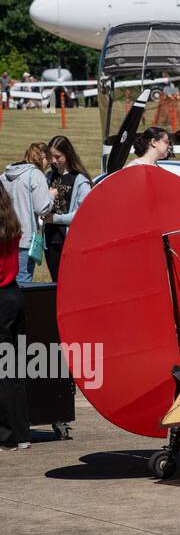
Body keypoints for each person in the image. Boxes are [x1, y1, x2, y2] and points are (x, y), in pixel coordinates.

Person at [0, 184, 32, 451]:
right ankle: (21, 431)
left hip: (1, 298)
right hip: (14, 296)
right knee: (14, 369)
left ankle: (8, 434)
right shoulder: (11, 224)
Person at [43, 135, 92, 283]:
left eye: (58, 156)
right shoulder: (49, 176)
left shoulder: (80, 180)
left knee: (72, 282)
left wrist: (55, 219)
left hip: (70, 241)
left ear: (67, 154)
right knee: (55, 283)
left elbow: (82, 214)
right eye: (51, 156)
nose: (53, 161)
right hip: (50, 239)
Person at [2, 144, 52, 285]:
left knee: (7, 280)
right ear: (43, 157)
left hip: (6, 235)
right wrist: (51, 196)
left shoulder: (6, 175)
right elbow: (42, 208)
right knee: (23, 280)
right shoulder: (36, 175)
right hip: (26, 239)